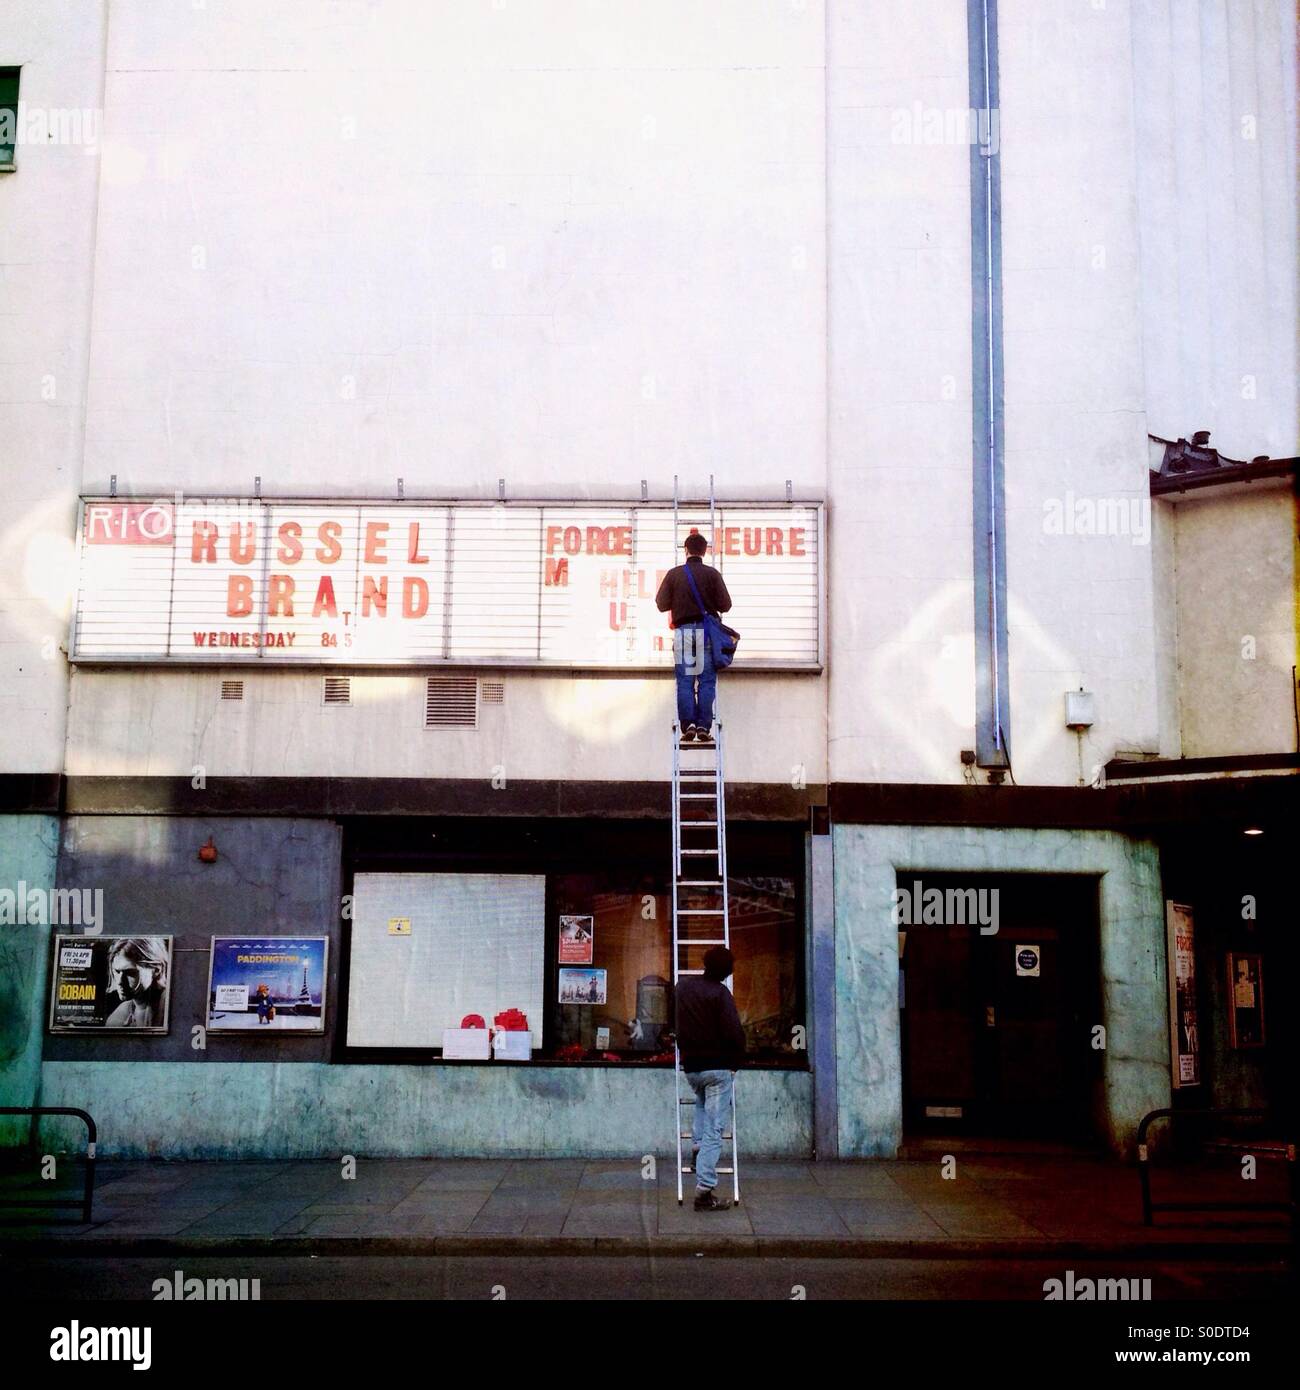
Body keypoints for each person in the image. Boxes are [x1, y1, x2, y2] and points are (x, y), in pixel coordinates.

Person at [673, 945, 746, 1211]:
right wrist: (737, 1062)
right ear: (727, 971)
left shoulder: (683, 988)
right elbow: (734, 1032)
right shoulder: (721, 994)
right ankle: (704, 1190)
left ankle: (696, 1148)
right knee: (716, 1129)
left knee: (702, 1104)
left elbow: (674, 1022)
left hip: (692, 1066)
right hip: (718, 1068)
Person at [655, 532, 733, 744]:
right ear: (704, 551)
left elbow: (661, 604)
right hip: (707, 634)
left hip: (684, 634)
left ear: (686, 551)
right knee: (706, 681)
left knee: (685, 682)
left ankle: (688, 724)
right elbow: (726, 605)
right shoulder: (712, 574)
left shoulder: (674, 574)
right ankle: (703, 726)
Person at [103, 937, 169, 1028]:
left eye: (130, 973)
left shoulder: (173, 1006)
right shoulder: (117, 1017)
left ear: (156, 970)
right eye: (117, 971)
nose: (120, 981)